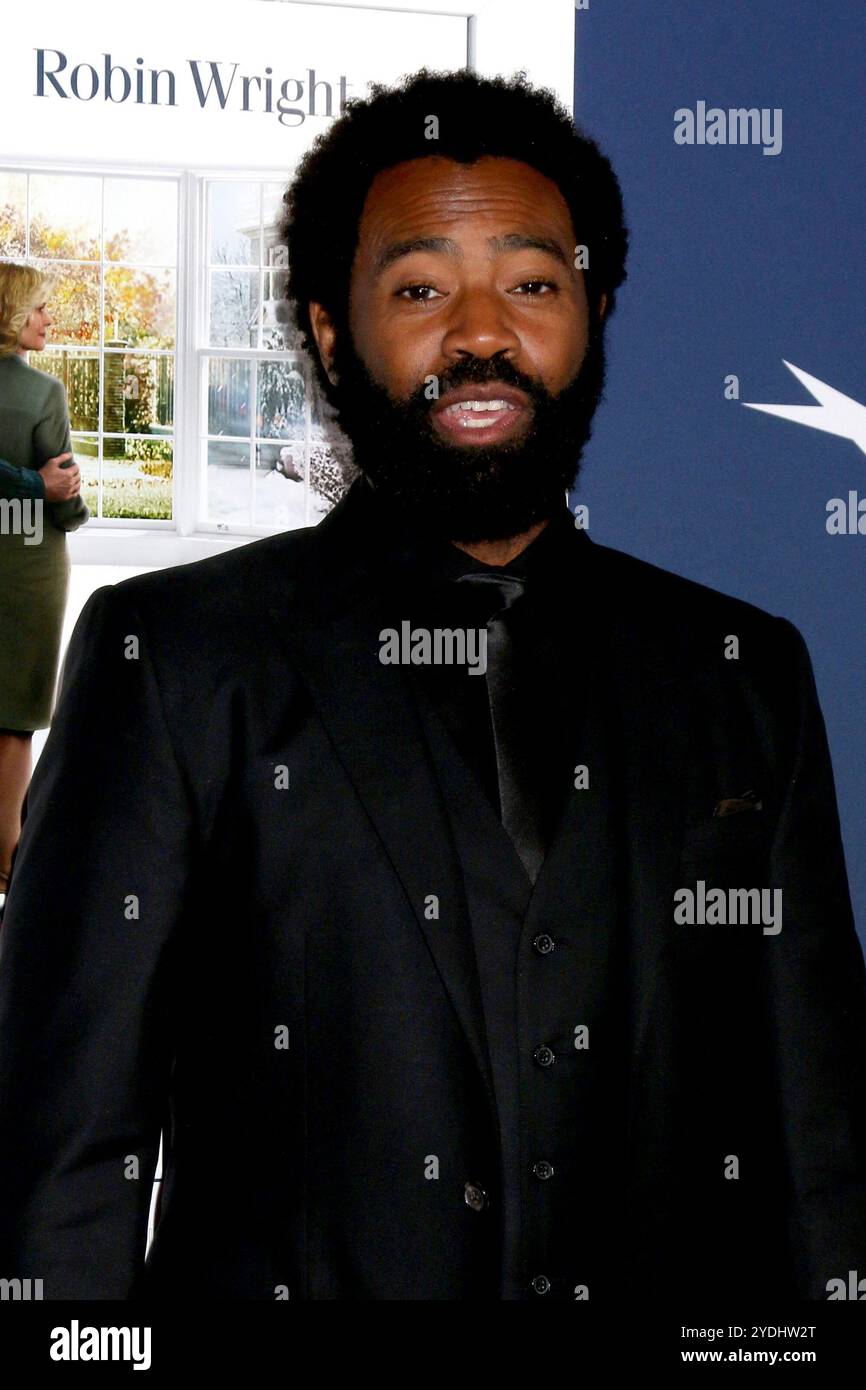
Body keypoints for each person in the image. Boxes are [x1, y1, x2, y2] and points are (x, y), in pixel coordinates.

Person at [0, 69, 864, 1302]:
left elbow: (818, 1144)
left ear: (595, 312)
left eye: (529, 284)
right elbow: (64, 1160)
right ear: (325, 331)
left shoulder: (738, 673)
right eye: (417, 288)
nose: (478, 334)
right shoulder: (174, 659)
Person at [0, 263, 89, 899]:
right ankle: (7, 858)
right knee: (16, 720)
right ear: (10, 315)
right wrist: (70, 503)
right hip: (28, 563)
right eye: (37, 309)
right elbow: (59, 493)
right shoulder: (43, 393)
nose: (47, 320)